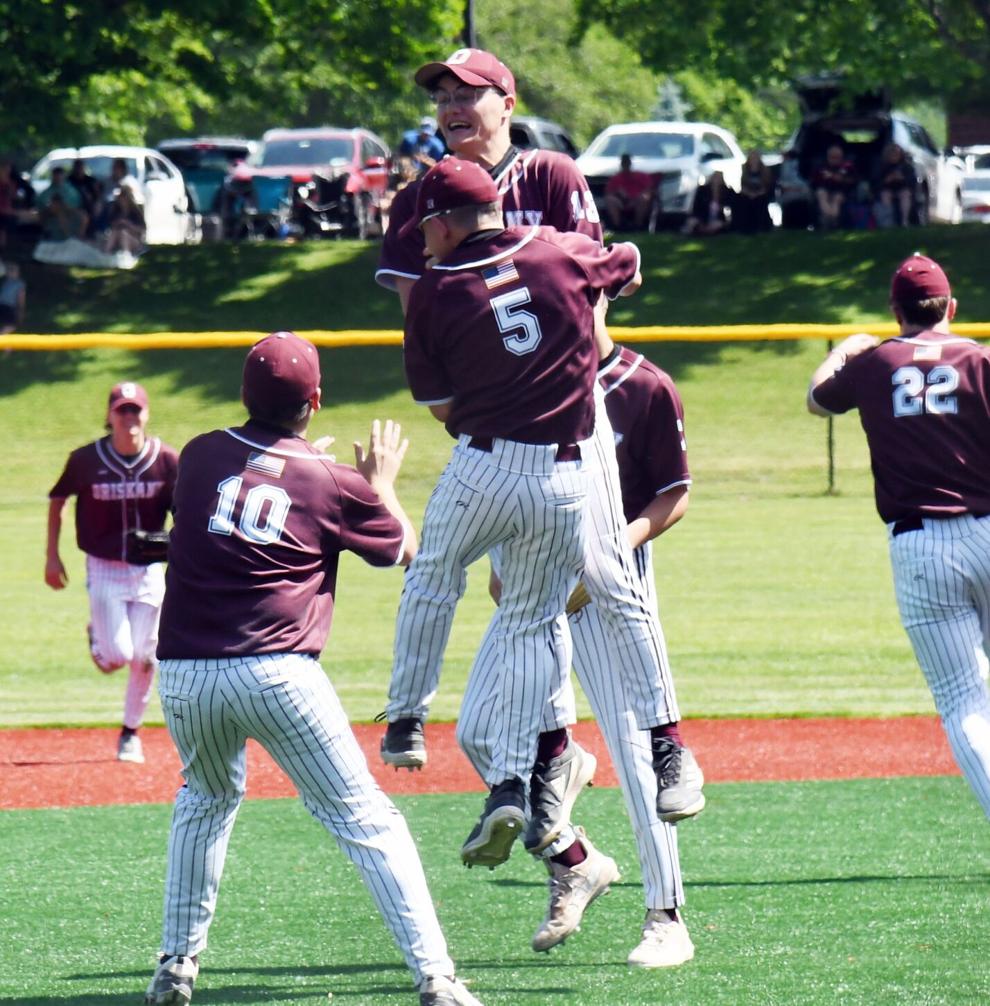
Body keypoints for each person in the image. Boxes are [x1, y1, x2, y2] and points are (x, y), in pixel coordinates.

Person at [376, 46, 703, 869]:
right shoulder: (421, 196)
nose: (452, 104)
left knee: (609, 575)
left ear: (507, 101)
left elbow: (597, 296)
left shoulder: (552, 174)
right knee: (519, 604)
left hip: (574, 419)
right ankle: (541, 763)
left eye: (469, 92)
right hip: (491, 432)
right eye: (441, 93)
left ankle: (667, 745)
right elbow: (426, 315)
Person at [144, 331, 483, 1006]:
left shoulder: (202, 452)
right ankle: (436, 978)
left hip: (184, 674)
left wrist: (301, 470)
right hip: (275, 673)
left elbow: (242, 495)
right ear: (316, 401)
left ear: (243, 394)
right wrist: (377, 485)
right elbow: (406, 552)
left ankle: (176, 966)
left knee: (204, 802)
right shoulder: (331, 481)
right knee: (366, 820)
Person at [396, 157, 646, 868]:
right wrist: (584, 298)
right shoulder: (557, 251)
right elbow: (625, 260)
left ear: (443, 223)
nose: (421, 240)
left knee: (442, 584)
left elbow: (442, 409)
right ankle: (563, 833)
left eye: (426, 227)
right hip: (564, 471)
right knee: (531, 623)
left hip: (489, 462)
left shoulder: (436, 294)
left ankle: (417, 723)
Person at [458, 324, 696, 965]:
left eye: (578, 287)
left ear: (600, 294)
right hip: (537, 597)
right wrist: (501, 565)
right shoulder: (520, 377)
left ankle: (665, 918)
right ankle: (574, 857)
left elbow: (673, 493)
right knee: (482, 732)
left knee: (635, 748)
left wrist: (612, 555)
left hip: (612, 593)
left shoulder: (642, 385)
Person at [807, 254, 990, 822]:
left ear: (895, 309)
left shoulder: (877, 361)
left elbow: (817, 399)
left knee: (964, 700)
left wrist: (845, 350)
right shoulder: (980, 358)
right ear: (952, 307)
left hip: (920, 546)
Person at [46, 382, 179, 764]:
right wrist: (52, 557)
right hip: (104, 567)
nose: (129, 417)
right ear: (109, 416)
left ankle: (129, 734)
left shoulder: (167, 460)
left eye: (135, 410)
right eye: (122, 410)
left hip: (151, 568)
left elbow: (186, 509)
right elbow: (57, 500)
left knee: (147, 656)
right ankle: (98, 642)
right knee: (117, 656)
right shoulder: (86, 460)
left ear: (147, 414)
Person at [604, 153, 656, 231]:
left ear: (630, 163)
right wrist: (618, 194)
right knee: (610, 200)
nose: (625, 165)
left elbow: (649, 190)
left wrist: (639, 196)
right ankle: (617, 226)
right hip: (622, 201)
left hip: (637, 200)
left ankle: (637, 226)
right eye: (624, 163)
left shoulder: (641, 176)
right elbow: (609, 192)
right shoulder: (616, 178)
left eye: (627, 162)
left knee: (643, 199)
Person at [812, 144, 857, 229]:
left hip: (841, 192)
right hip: (824, 191)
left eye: (837, 157)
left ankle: (833, 221)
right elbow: (814, 182)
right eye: (832, 157)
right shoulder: (821, 166)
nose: (834, 159)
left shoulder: (847, 166)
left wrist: (840, 179)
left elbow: (853, 181)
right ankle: (828, 219)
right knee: (822, 194)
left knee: (836, 199)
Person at [37, 165, 88, 240]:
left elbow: (76, 203)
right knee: (59, 213)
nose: (58, 178)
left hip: (70, 211)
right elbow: (41, 203)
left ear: (63, 176)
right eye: (56, 176)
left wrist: (66, 207)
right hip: (50, 213)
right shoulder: (47, 191)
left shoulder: (70, 190)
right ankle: (69, 237)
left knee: (84, 217)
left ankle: (79, 237)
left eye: (59, 176)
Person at [873, 142, 915, 228]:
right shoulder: (882, 166)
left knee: (905, 195)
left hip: (902, 189)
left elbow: (912, 182)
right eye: (892, 155)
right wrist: (887, 180)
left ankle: (905, 221)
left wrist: (902, 179)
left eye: (897, 154)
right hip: (886, 190)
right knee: (885, 195)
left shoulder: (906, 166)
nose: (894, 157)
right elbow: (875, 183)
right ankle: (888, 221)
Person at [733, 150, 774, 234]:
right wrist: (749, 193)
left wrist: (757, 193)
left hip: (761, 193)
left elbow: (767, 185)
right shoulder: (744, 169)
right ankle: (744, 226)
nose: (754, 159)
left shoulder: (765, 170)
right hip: (748, 193)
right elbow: (742, 185)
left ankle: (761, 225)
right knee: (742, 200)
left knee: (760, 201)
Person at [681, 171, 731, 235]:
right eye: (715, 177)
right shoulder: (703, 191)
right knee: (692, 222)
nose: (717, 180)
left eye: (719, 177)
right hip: (703, 218)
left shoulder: (725, 192)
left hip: (716, 220)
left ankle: (704, 231)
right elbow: (697, 208)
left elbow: (727, 209)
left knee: (718, 225)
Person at [105, 182, 146, 255]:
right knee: (115, 233)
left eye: (124, 197)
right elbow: (111, 226)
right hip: (117, 236)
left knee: (124, 233)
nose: (122, 200)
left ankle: (126, 254)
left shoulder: (136, 212)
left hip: (134, 239)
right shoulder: (116, 211)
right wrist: (117, 223)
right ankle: (106, 253)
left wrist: (128, 224)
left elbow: (142, 230)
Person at [67, 158, 103, 234]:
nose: (79, 169)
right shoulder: (69, 180)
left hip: (89, 206)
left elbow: (98, 196)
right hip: (72, 206)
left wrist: (98, 204)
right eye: (77, 167)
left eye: (80, 166)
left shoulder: (91, 180)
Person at [0, 260, 26, 334]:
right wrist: (21, 309)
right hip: (8, 306)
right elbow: (21, 298)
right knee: (12, 325)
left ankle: (6, 344)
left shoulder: (6, 282)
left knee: (7, 324)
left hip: (2, 305)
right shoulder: (19, 283)